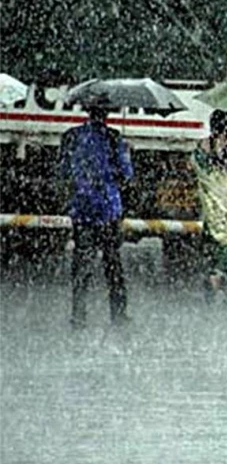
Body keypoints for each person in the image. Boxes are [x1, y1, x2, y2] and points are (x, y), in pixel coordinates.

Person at [58, 106, 134, 328]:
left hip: (82, 207)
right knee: (113, 263)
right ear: (107, 114)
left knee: (81, 262)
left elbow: (63, 171)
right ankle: (118, 313)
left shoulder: (71, 136)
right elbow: (127, 174)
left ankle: (78, 314)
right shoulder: (114, 138)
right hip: (108, 208)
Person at [192, 117, 227, 304]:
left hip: (211, 209)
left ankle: (213, 276)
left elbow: (195, 167)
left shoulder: (202, 149)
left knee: (213, 248)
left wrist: (208, 153)